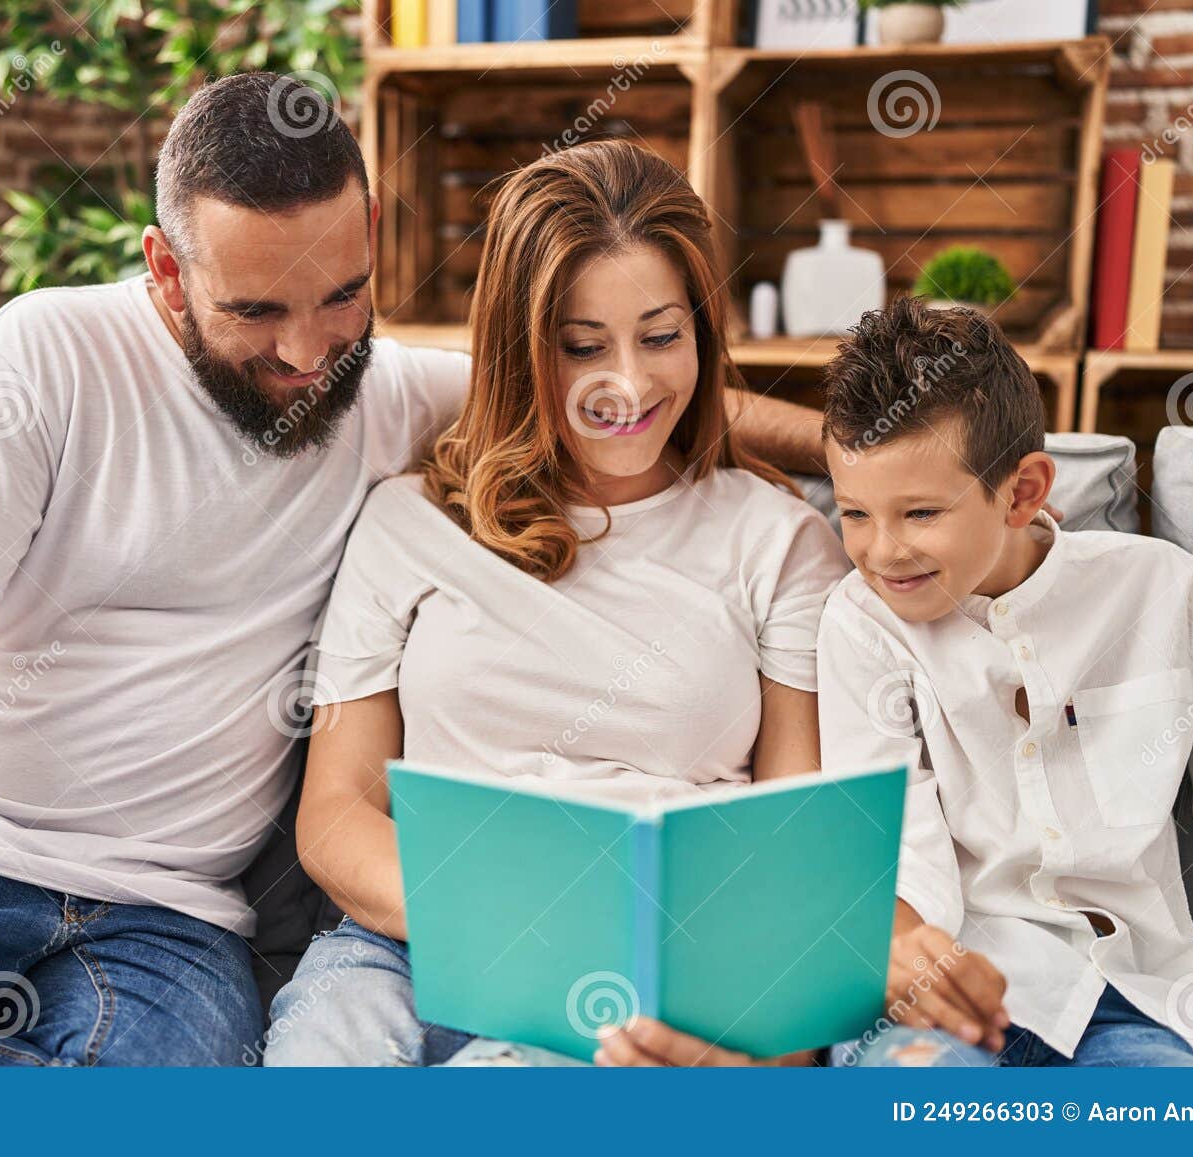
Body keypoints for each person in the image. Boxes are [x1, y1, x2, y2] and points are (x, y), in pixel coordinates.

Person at [0, 75, 824, 1068]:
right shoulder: (44, 361)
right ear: (167, 272)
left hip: (168, 921)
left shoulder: (385, 393)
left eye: (343, 297)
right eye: (256, 309)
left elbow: (603, 390)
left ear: (372, 240)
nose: (309, 353)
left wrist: (857, 455)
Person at [261, 140, 849, 1069]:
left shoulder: (779, 542)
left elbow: (787, 848)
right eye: (582, 347)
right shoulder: (409, 520)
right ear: (517, 347)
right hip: (404, 948)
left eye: (661, 337)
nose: (627, 383)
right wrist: (509, 910)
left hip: (655, 965)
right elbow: (336, 813)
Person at [816, 296, 1193, 1068]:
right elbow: (887, 844)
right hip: (941, 993)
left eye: (919, 512)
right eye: (854, 512)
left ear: (1022, 492)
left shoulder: (1165, 595)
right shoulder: (860, 624)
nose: (881, 553)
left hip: (1134, 1002)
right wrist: (909, 957)